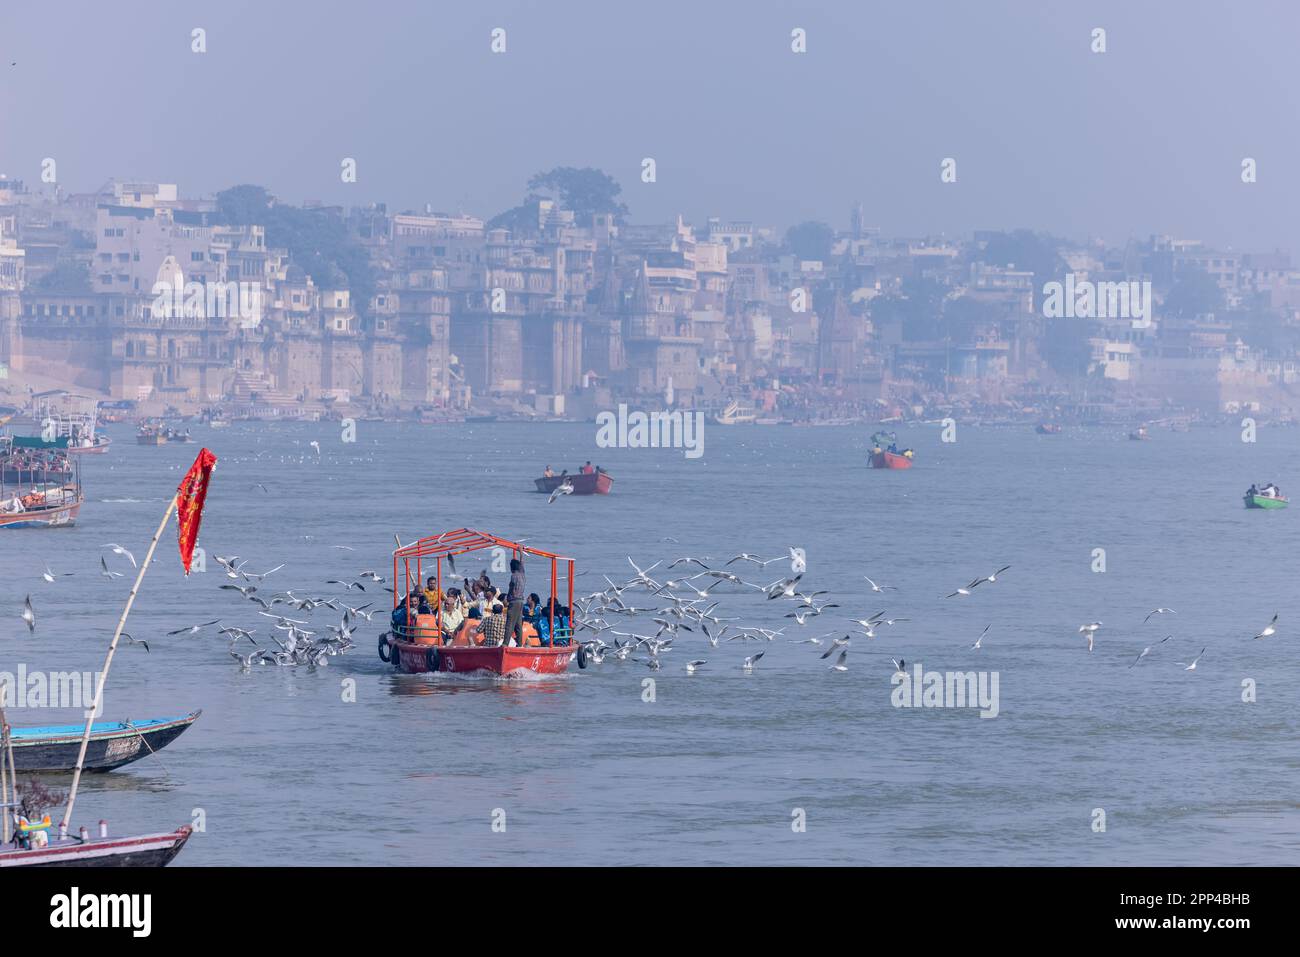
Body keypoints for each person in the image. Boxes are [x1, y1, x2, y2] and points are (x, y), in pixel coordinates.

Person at [504, 555, 526, 647]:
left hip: (514, 601)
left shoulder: (513, 576)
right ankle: (520, 643)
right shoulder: (522, 574)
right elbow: (522, 563)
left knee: (510, 623)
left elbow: (511, 589)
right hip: (521, 601)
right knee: (518, 624)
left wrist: (507, 598)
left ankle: (505, 643)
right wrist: (521, 553)